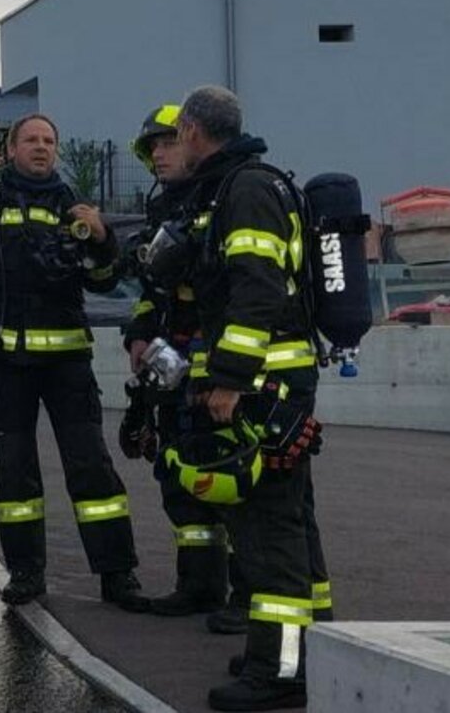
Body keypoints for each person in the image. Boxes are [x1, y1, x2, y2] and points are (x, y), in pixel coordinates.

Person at [0, 114, 149, 611]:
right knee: (15, 473)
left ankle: (118, 574)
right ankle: (26, 572)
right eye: (31, 140)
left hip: (67, 362)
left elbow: (104, 281)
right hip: (5, 360)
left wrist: (101, 238)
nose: (42, 147)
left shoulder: (73, 206)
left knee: (92, 469)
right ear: (11, 149)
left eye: (49, 140)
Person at [163, 86, 327, 712]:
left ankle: (278, 673)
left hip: (264, 384)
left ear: (193, 130)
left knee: (269, 531)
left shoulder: (246, 190)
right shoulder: (244, 184)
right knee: (291, 520)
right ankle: (305, 651)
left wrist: (230, 378)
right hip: (276, 378)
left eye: (177, 133)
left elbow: (257, 290)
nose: (175, 144)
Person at [119, 104, 236, 619]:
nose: (160, 155)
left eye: (168, 143)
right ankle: (199, 585)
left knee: (228, 475)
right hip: (172, 362)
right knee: (178, 472)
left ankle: (248, 593)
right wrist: (140, 334)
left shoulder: (222, 199)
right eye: (152, 149)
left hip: (215, 361)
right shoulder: (164, 210)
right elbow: (153, 294)